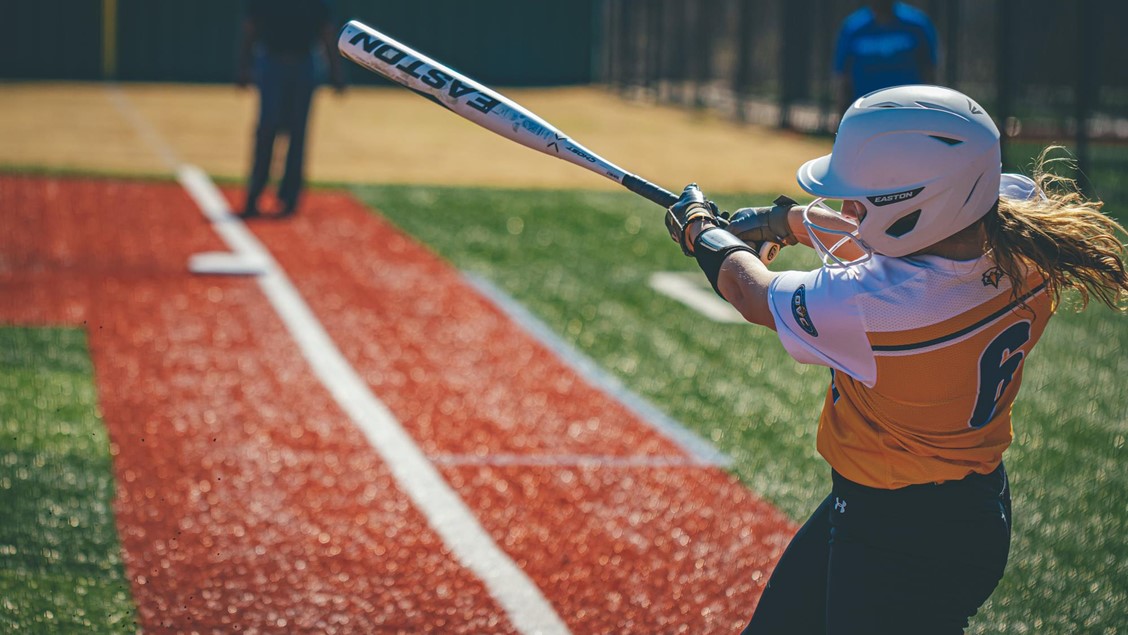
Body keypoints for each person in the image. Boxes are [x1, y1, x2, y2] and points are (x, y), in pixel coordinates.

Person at [663, 84, 1128, 633]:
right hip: (959, 514)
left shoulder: (876, 307)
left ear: (921, 203)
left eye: (861, 196)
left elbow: (752, 293)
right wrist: (783, 221)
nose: (846, 209)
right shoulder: (1012, 237)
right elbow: (919, 258)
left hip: (898, 541)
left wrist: (700, 229)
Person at [236, 0, 345, 219]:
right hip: (271, 62)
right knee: (267, 129)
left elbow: (326, 31)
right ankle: (255, 193)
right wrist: (243, 65)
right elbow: (251, 27)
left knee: (297, 132)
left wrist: (335, 70)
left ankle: (289, 198)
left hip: (304, 62)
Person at [833, 1, 937, 115]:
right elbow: (844, 76)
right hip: (865, 113)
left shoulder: (917, 24)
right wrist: (842, 112)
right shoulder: (853, 28)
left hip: (908, 112)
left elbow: (929, 72)